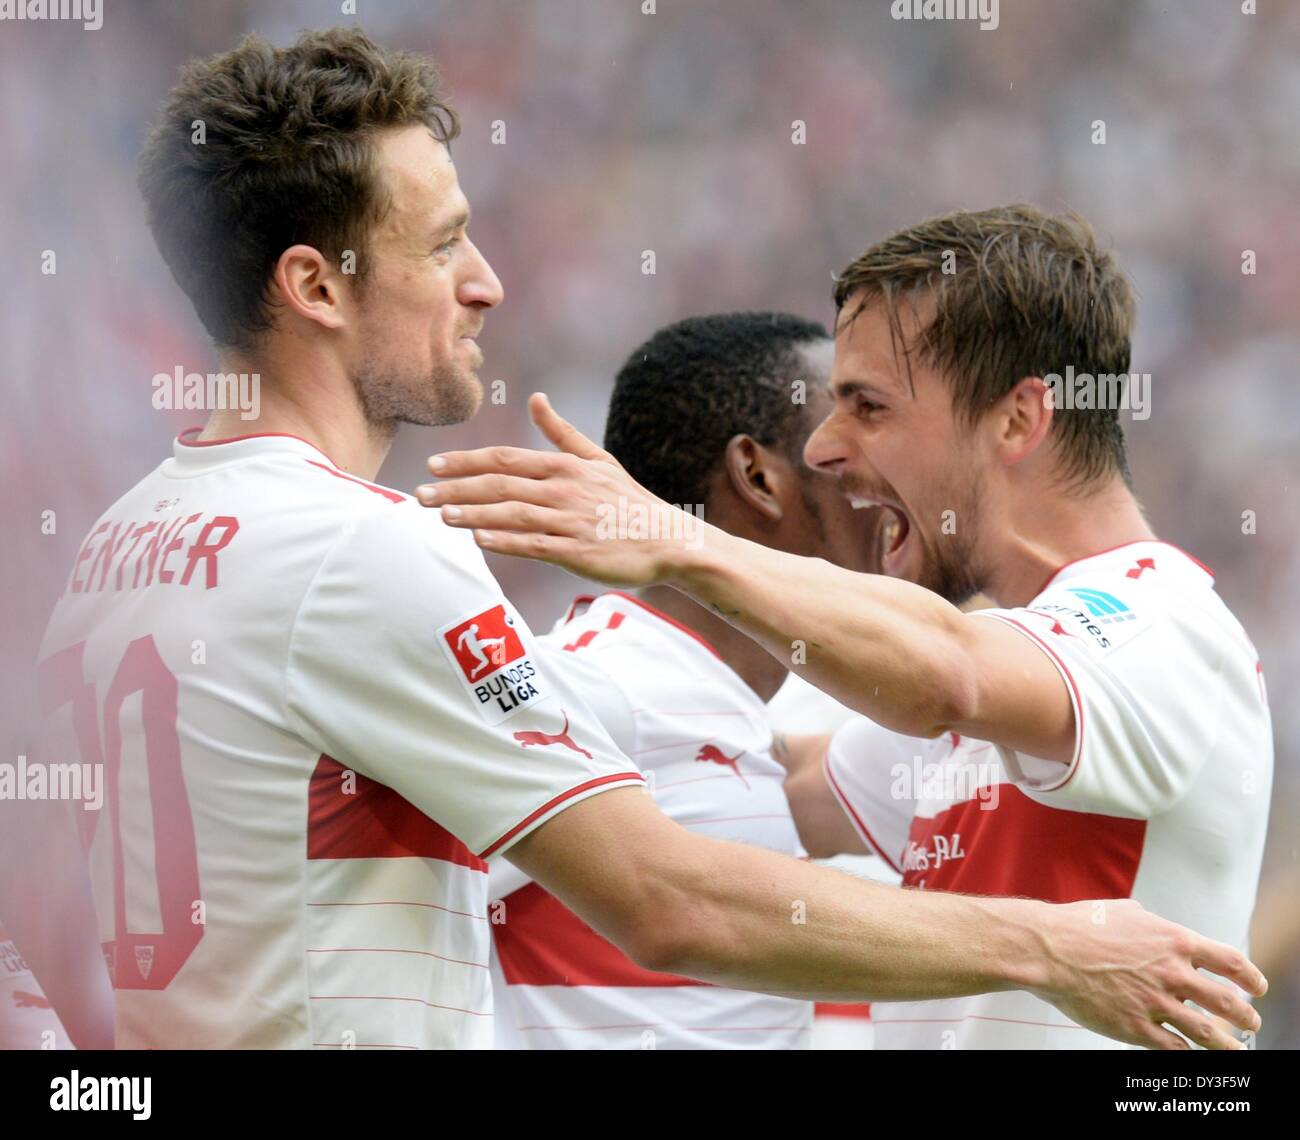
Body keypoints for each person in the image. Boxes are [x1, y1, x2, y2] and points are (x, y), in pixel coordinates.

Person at [17, 30, 1264, 1051]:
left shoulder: (115, 551)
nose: (488, 282)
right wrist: (1052, 946)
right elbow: (665, 891)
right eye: (443, 243)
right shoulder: (362, 552)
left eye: (871, 408)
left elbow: (783, 766)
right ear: (318, 286)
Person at [417, 204, 1273, 1050]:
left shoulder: (1160, 627)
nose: (824, 448)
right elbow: (735, 775)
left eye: (868, 406)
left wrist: (678, 541)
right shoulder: (998, 684)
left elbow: (945, 677)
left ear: (1018, 420)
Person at [490, 311, 882, 1049]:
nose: (878, 462)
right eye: (848, 421)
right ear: (760, 476)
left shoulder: (734, 705)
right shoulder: (596, 682)